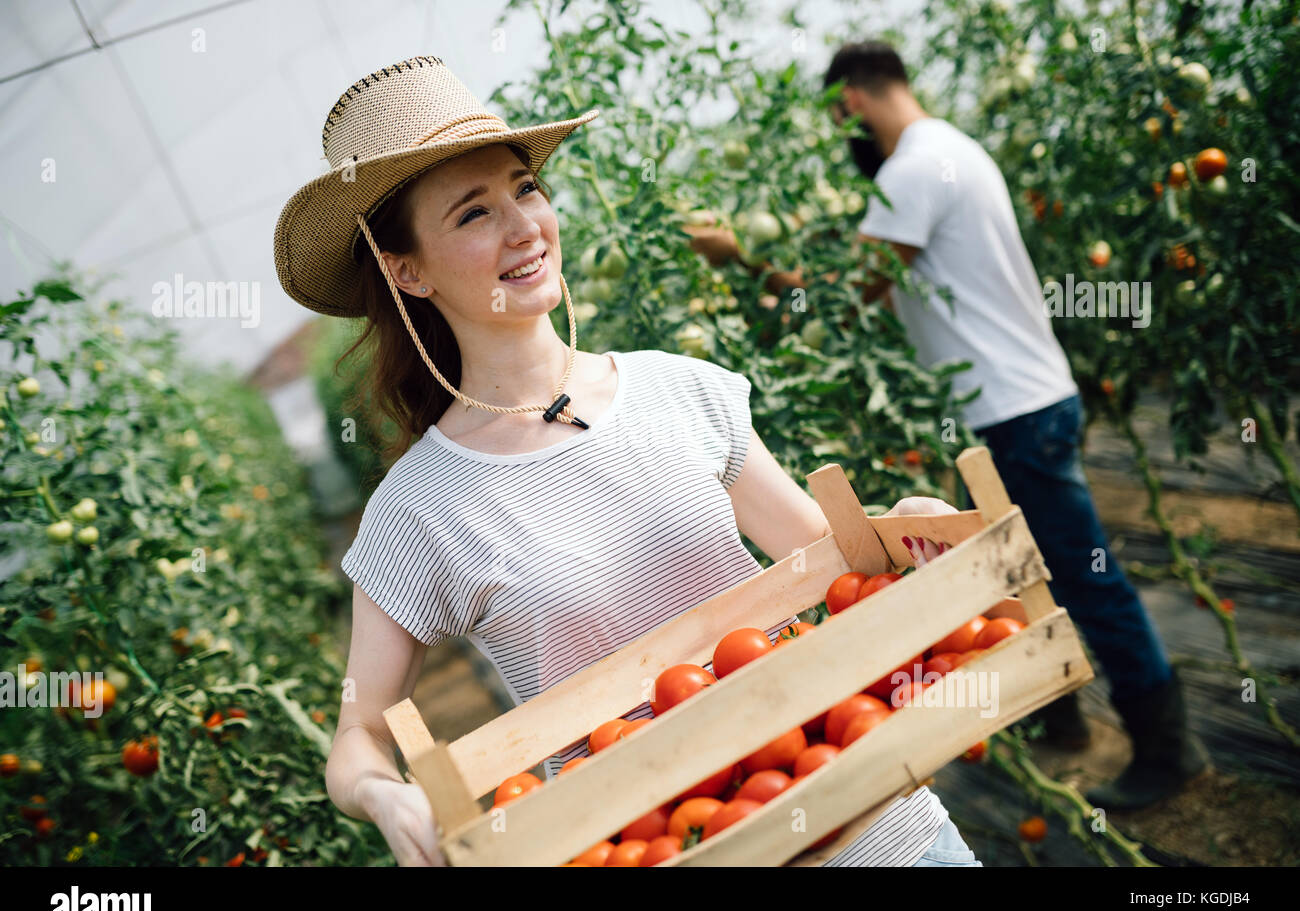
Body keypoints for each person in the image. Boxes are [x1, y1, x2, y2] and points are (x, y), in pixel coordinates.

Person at [273, 55, 980, 866]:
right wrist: (383, 792)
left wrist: (908, 528)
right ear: (407, 269)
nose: (523, 226)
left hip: (873, 816)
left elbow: (821, 550)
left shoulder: (678, 389)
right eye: (473, 214)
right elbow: (358, 736)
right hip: (656, 849)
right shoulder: (419, 510)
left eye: (524, 189)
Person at [814, 40, 1211, 810]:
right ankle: (1058, 721)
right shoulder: (955, 152)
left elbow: (845, 294)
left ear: (851, 102)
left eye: (838, 121)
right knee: (1026, 573)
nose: (842, 138)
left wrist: (744, 263)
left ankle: (1170, 751)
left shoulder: (912, 170)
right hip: (1024, 401)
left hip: (1012, 413)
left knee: (1085, 579)